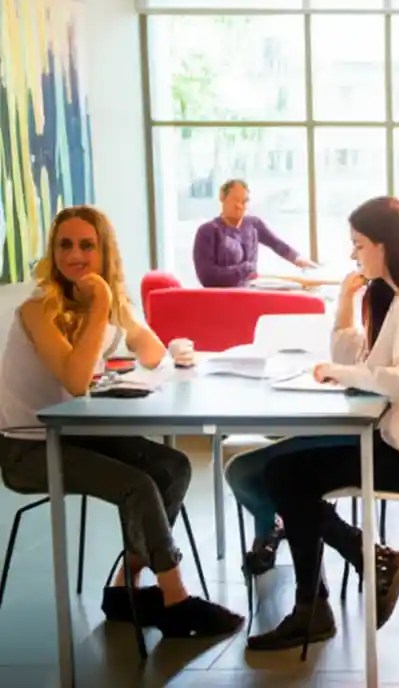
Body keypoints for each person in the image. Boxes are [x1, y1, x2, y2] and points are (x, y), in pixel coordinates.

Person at [0, 205, 243, 638]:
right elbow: (76, 381)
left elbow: (154, 355)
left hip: (74, 434)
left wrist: (120, 311)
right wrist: (103, 309)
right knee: (138, 484)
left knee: (173, 466)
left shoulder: (103, 300)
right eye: (65, 245)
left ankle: (124, 588)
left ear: (104, 252)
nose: (75, 256)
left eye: (87, 246)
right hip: (28, 447)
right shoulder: (38, 310)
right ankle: (176, 600)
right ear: (53, 252)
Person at [244, 196, 399, 651]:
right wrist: (345, 299)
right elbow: (358, 358)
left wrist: (340, 374)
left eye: (359, 244)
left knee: (285, 475)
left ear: (385, 246)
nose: (353, 254)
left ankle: (324, 599)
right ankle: (355, 569)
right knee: (285, 473)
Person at [193, 179, 317, 288]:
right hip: (221, 298)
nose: (239, 206)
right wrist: (246, 269)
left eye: (244, 201)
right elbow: (207, 277)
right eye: (235, 200)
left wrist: (300, 260)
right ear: (222, 198)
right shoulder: (207, 231)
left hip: (251, 292)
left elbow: (277, 244)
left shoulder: (253, 224)